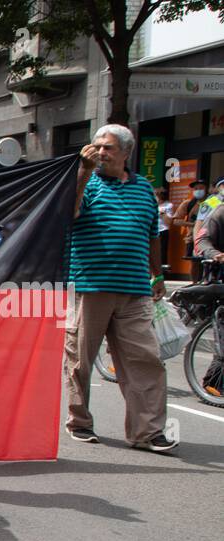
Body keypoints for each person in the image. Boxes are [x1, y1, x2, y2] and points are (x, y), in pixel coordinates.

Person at [63, 124, 175, 453]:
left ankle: (148, 432)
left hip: (135, 288)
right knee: (80, 360)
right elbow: (69, 214)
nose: (100, 152)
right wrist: (83, 173)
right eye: (96, 146)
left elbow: (153, 234)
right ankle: (80, 421)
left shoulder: (143, 189)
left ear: (126, 152)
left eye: (108, 147)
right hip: (90, 286)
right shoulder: (86, 183)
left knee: (146, 360)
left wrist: (157, 274)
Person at [173, 179, 208, 281]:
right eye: (196, 188)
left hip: (209, 237)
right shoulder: (188, 203)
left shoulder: (212, 201)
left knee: (209, 261)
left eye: (201, 188)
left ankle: (208, 283)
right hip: (192, 239)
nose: (198, 190)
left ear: (206, 189)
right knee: (195, 262)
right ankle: (194, 284)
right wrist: (193, 224)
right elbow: (176, 221)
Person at [156, 186, 173, 268]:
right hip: (151, 231)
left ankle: (162, 271)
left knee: (162, 251)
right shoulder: (151, 205)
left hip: (162, 230)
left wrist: (162, 213)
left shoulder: (168, 205)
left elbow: (169, 222)